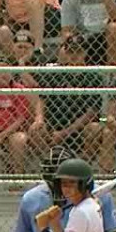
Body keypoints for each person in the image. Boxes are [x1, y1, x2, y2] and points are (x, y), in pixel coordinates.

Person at [36, 36, 105, 164]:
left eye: (78, 51)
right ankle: (50, 164)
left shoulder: (93, 76)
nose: (74, 55)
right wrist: (39, 118)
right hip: (54, 127)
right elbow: (42, 99)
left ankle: (83, 166)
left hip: (79, 129)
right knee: (36, 129)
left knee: (94, 128)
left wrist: (64, 133)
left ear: (85, 52)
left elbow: (91, 113)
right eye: (70, 51)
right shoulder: (55, 73)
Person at [59, 0, 116, 65]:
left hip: (110, 37)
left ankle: (115, 74)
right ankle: (80, 76)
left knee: (114, 28)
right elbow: (67, 30)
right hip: (84, 40)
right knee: (64, 50)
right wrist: (74, 40)